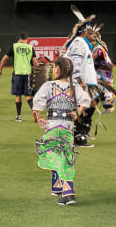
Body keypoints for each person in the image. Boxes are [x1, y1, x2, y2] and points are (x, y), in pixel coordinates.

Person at [31, 57, 90, 206]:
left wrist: (39, 118)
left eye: (55, 67)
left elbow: (37, 103)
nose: (53, 69)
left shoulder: (49, 85)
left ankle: (69, 193)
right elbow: (86, 100)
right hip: (68, 128)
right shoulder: (74, 87)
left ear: (58, 69)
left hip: (53, 127)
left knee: (59, 156)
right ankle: (57, 186)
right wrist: (77, 112)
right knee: (63, 155)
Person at [63, 5, 101, 147]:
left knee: (91, 105)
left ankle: (81, 131)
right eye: (91, 31)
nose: (94, 34)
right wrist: (79, 80)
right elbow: (75, 64)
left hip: (85, 84)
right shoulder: (79, 43)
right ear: (84, 32)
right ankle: (77, 136)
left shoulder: (84, 44)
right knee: (80, 108)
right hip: (78, 84)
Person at [0, 32, 39, 122]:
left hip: (17, 74)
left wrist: (0, 69)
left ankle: (19, 116)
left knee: (18, 95)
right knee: (28, 96)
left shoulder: (14, 46)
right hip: (28, 74)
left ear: (19, 38)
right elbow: (35, 63)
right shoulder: (30, 47)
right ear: (26, 39)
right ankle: (34, 111)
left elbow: (4, 58)